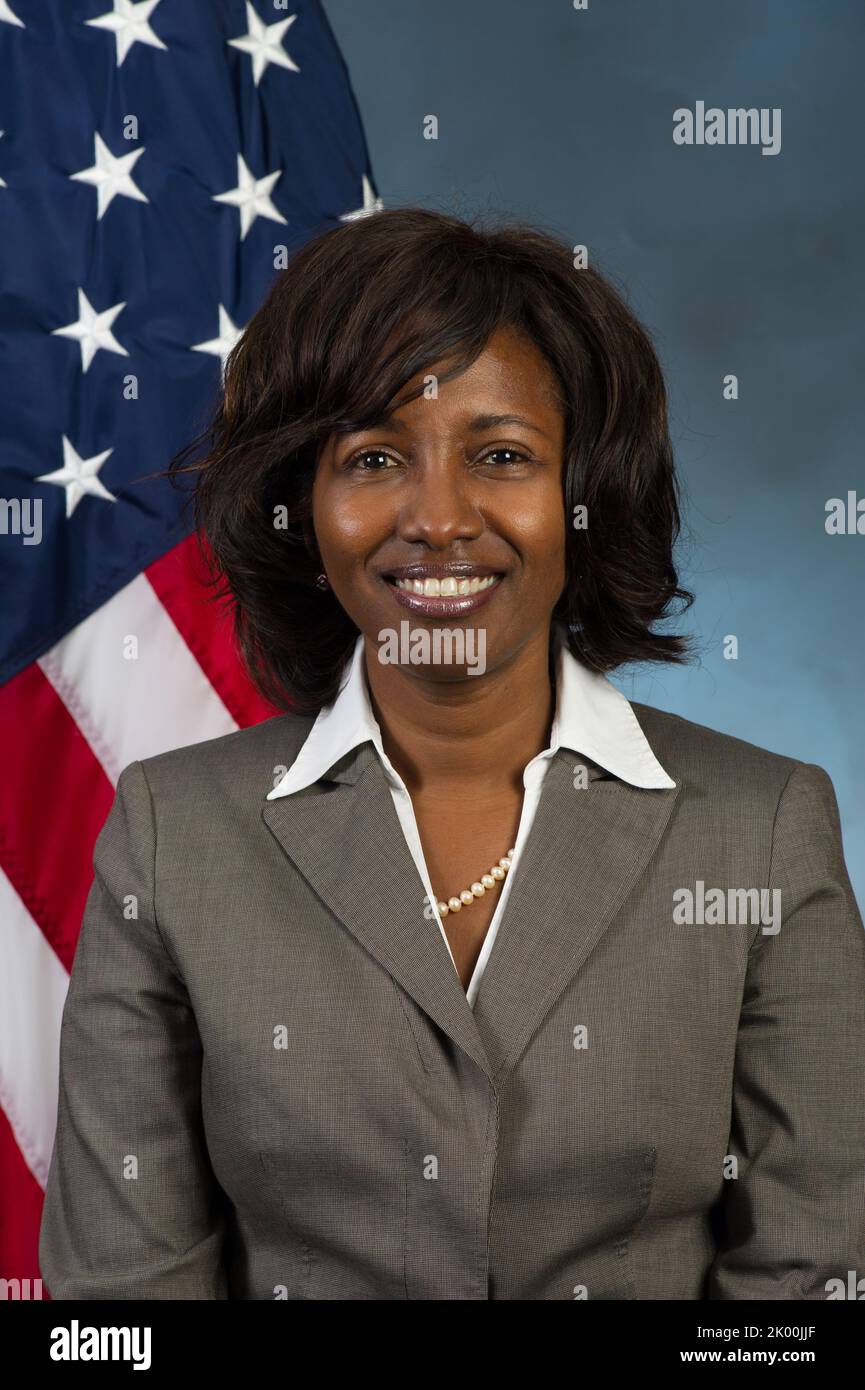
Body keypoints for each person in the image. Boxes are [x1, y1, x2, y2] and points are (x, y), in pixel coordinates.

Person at [39, 207, 865, 1300]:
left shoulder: (759, 831)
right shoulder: (168, 833)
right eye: (374, 456)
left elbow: (808, 1290)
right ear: (304, 502)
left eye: (502, 455)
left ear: (583, 495)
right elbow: (122, 1303)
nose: (437, 516)